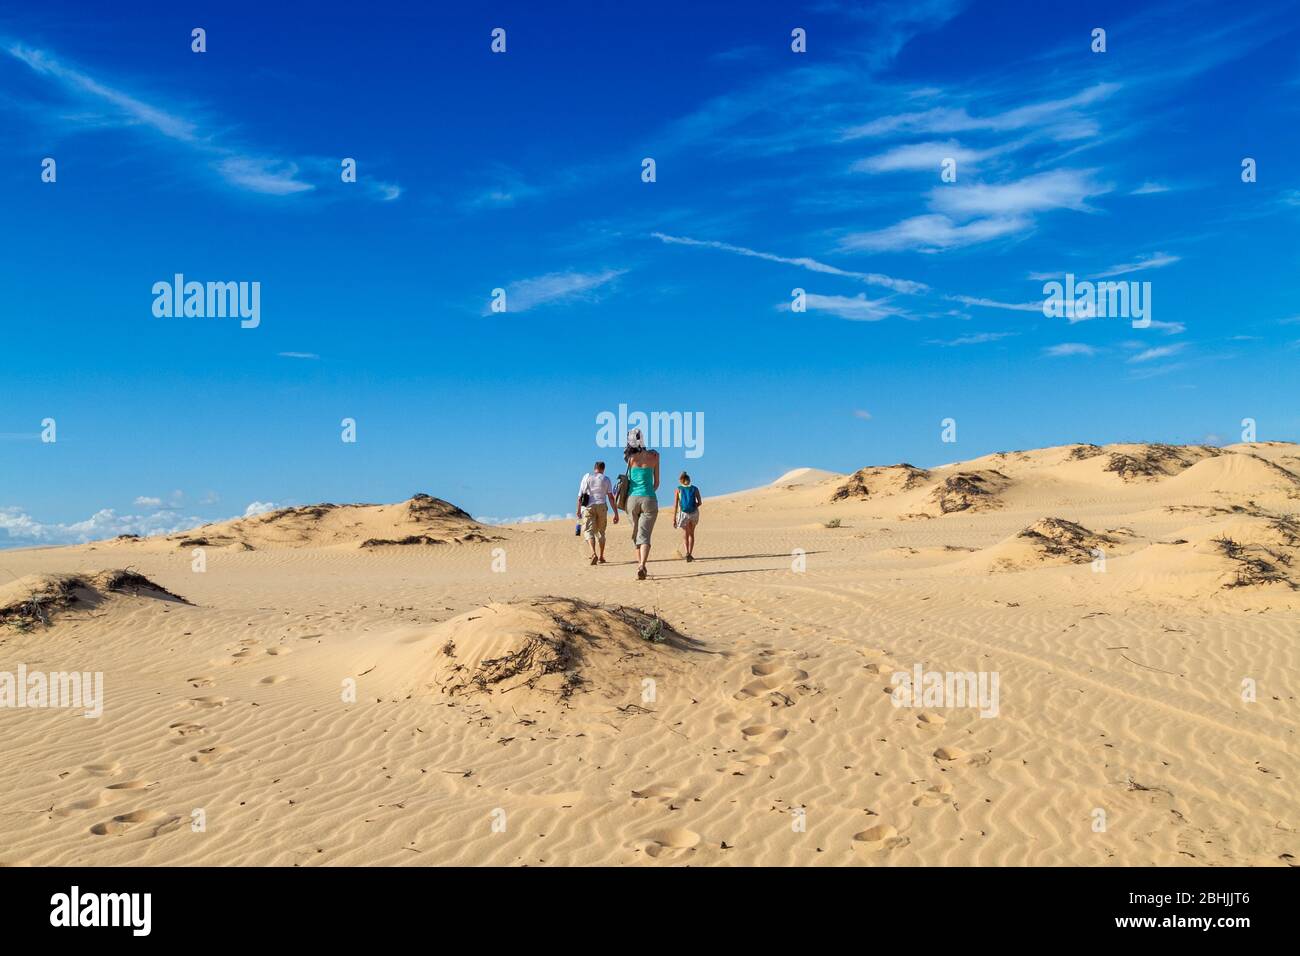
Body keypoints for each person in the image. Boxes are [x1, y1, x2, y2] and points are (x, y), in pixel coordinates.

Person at [622, 428, 659, 580]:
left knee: (637, 534)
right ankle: (642, 565)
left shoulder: (630, 459)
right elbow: (657, 483)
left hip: (632, 500)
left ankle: (639, 565)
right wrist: (649, 490)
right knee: (644, 535)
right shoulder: (655, 456)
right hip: (649, 498)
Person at [576, 461, 618, 565]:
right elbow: (611, 497)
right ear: (603, 469)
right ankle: (601, 556)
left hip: (589, 507)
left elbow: (580, 497)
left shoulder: (587, 478)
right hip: (602, 506)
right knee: (601, 532)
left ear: (594, 468)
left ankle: (593, 553)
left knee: (589, 531)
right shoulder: (606, 479)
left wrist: (578, 510)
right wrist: (616, 513)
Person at [673, 471, 702, 561]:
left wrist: (674, 518)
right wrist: (694, 506)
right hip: (694, 513)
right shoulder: (695, 488)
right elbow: (700, 502)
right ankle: (690, 553)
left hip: (683, 513)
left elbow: (676, 505)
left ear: (681, 480)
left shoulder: (678, 489)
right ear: (689, 480)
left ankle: (686, 552)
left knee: (685, 533)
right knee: (691, 534)